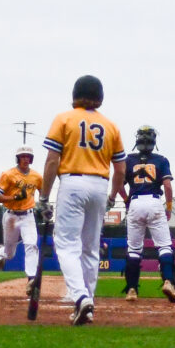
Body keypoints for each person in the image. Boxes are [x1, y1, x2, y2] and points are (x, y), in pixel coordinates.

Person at [37, 75, 126, 325]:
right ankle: (88, 304)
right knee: (90, 248)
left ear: (75, 94)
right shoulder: (111, 126)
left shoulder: (64, 118)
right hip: (100, 185)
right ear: (100, 97)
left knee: (66, 244)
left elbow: (52, 161)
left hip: (73, 182)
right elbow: (121, 170)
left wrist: (44, 197)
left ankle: (80, 297)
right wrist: (112, 197)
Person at [118, 125, 175, 303]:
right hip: (154, 202)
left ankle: (131, 289)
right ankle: (168, 281)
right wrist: (169, 207)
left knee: (134, 249)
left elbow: (119, 184)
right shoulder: (161, 160)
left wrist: (126, 200)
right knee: (164, 247)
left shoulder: (128, 160)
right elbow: (167, 186)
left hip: (135, 202)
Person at [0, 145, 44, 296]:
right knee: (10, 253)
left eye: (28, 156)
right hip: (11, 216)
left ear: (31, 159)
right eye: (23, 156)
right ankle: (1, 252)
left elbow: (43, 193)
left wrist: (44, 205)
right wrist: (14, 197)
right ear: (18, 158)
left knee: (31, 245)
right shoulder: (8, 174)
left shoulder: (36, 176)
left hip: (28, 215)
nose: (25, 159)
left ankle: (31, 279)